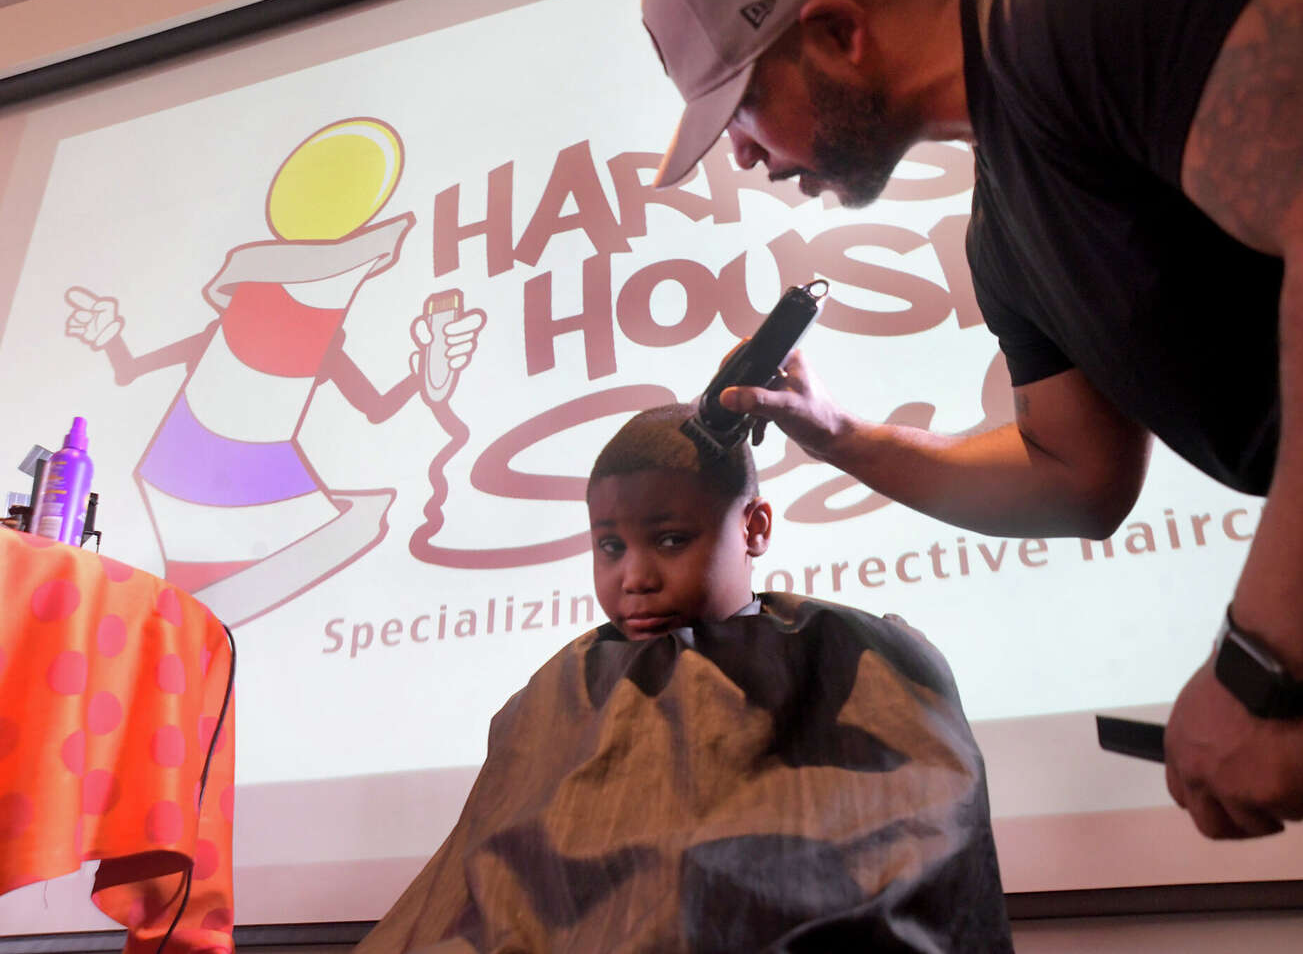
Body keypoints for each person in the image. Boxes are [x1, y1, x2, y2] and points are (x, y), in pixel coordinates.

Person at [638, 0, 1303, 931]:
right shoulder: (1008, 236)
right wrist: (841, 435)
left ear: (839, 33)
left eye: (745, 107)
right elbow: (1078, 478)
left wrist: (1265, 667)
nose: (748, 154)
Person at [356, 404, 1013, 952]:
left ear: (754, 527)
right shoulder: (555, 694)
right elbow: (485, 892)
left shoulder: (862, 658)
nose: (635, 576)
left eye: (669, 539)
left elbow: (916, 861)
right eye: (610, 546)